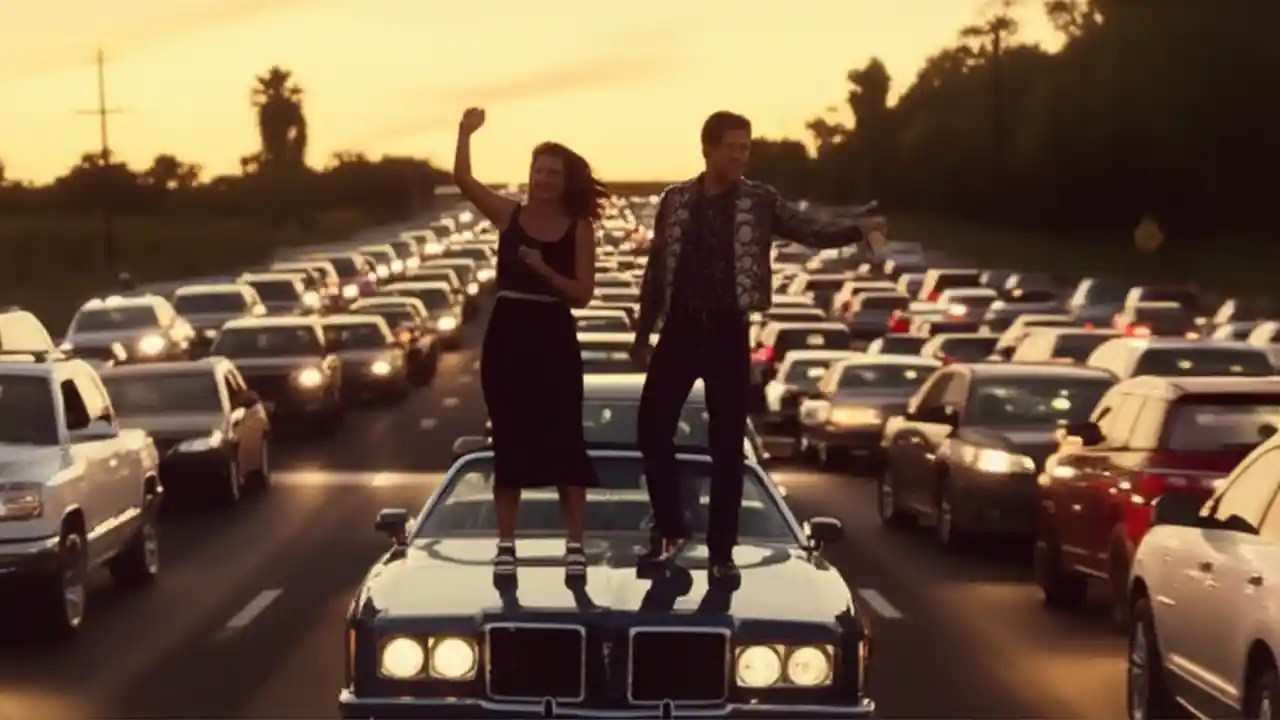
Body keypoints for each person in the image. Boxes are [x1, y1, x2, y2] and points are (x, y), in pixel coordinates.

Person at [632, 111, 886, 582]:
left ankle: (721, 553)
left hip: (729, 330)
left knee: (728, 446)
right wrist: (643, 333)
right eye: (731, 147)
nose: (739, 156)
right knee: (651, 428)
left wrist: (858, 228)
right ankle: (670, 528)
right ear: (707, 149)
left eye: (744, 148)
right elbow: (656, 268)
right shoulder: (676, 200)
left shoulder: (759, 201)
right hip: (680, 330)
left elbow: (810, 231)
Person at [453, 107, 607, 576]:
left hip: (552, 333)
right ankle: (506, 544)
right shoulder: (510, 215)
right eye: (539, 171)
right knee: (509, 437)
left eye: (553, 173)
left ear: (565, 181)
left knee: (565, 437)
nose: (543, 179)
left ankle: (574, 545)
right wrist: (465, 132)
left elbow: (582, 293)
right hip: (508, 332)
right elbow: (464, 180)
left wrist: (543, 270)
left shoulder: (579, 227)